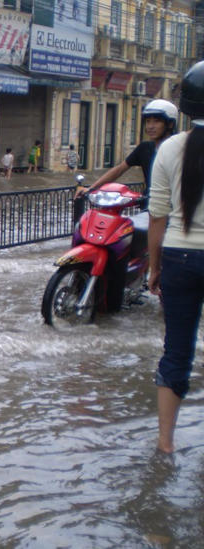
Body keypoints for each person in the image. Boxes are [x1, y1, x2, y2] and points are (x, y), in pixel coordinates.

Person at [148, 61, 204, 454]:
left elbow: (157, 216)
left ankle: (165, 444)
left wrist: (155, 268)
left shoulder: (169, 148)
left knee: (176, 351)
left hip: (178, 259)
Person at [76, 99, 178, 198]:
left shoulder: (178, 149)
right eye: (147, 121)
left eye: (156, 121)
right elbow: (119, 169)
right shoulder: (145, 148)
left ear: (170, 124)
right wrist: (91, 188)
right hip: (149, 205)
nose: (150, 126)